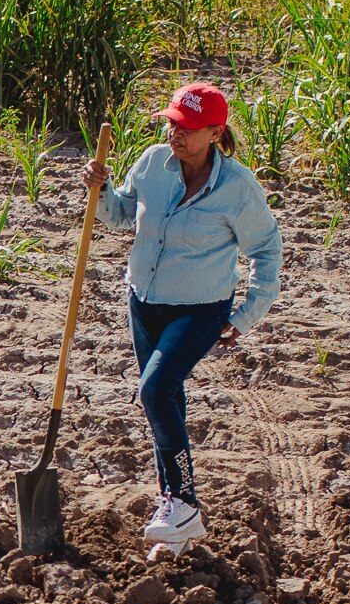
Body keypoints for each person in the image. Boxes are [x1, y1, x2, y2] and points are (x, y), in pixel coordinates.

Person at [85, 80, 282, 557]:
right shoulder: (153, 163)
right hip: (144, 300)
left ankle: (183, 503)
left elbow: (266, 249)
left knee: (153, 390)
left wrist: (248, 312)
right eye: (173, 122)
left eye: (189, 128)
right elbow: (119, 215)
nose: (176, 133)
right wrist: (102, 187)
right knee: (165, 401)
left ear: (215, 132)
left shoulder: (238, 188)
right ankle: (174, 514)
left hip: (200, 311)